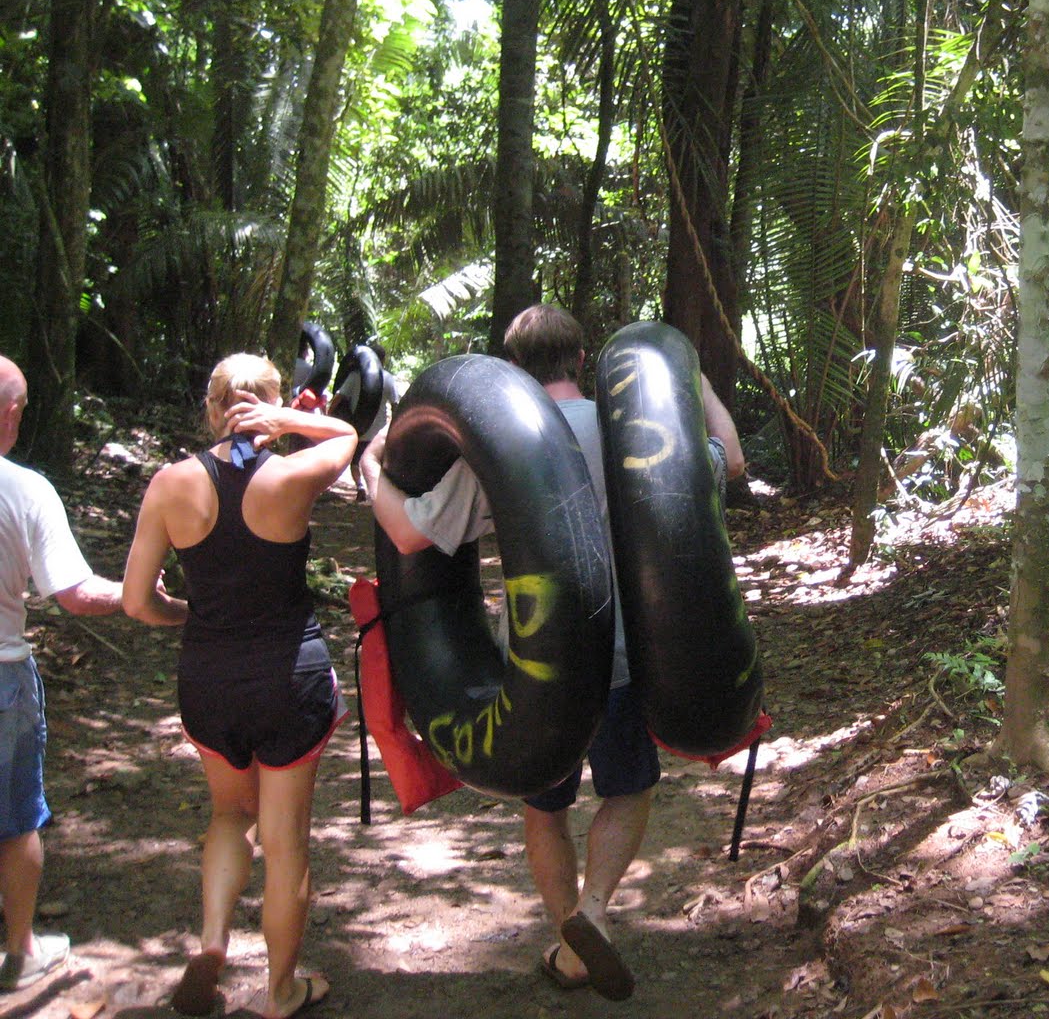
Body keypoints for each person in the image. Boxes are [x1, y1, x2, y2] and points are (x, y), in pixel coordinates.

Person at [359, 305, 744, 1002]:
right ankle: (593, 911)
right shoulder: (634, 432)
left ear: (510, 367)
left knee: (544, 803)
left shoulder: (498, 447)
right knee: (629, 788)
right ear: (582, 357)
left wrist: (369, 466)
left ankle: (567, 933)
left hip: (536, 657)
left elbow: (414, 535)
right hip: (630, 646)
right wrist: (695, 378)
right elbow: (729, 457)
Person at [123, 354, 356, 1019]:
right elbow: (346, 436)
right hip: (291, 675)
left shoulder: (170, 484)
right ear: (271, 406)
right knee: (286, 840)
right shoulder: (289, 474)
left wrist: (184, 613)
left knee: (231, 814)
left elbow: (138, 602)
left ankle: (215, 939)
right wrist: (287, 421)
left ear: (211, 409)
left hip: (209, 673)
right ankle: (281, 991)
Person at [0, 357, 183, 992]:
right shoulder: (23, 491)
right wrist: (147, 599)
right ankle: (22, 953)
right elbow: (74, 594)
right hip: (2, 677)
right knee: (16, 817)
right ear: (13, 413)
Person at [328, 340, 400, 503]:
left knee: (355, 461)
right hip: (378, 431)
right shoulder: (388, 378)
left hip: (358, 427)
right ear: (383, 359)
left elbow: (339, 397)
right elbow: (395, 404)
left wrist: (330, 413)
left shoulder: (355, 376)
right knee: (377, 461)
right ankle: (377, 491)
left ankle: (360, 486)